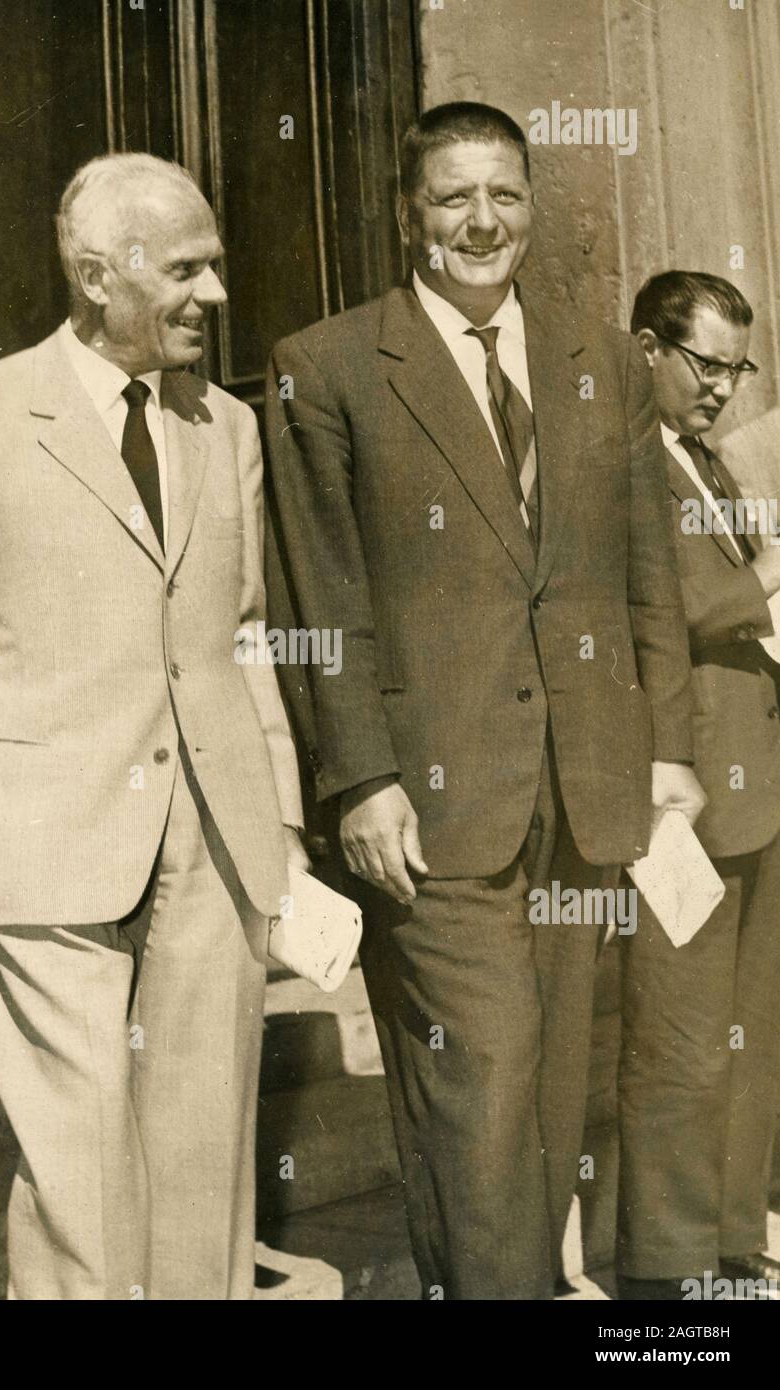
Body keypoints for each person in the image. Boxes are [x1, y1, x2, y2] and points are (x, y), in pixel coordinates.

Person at [264, 102, 702, 1299]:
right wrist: (358, 777)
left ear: (530, 205)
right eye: (453, 197)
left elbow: (645, 575)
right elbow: (323, 597)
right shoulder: (327, 366)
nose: (481, 220)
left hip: (588, 787)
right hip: (431, 801)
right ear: (410, 216)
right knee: (484, 1082)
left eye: (503, 194)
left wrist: (665, 752)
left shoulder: (601, 360)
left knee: (550, 1085)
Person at [0, 153, 307, 1300]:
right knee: (83, 1167)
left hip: (216, 841)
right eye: (187, 271)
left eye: (217, 267)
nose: (213, 295)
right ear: (101, 277)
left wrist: (284, 825)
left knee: (203, 1164)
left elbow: (242, 635)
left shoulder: (229, 430)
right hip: (41, 841)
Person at [618, 271, 780, 1299]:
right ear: (646, 351)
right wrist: (771, 572)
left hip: (755, 783)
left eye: (736, 368)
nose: (722, 388)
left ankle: (731, 1237)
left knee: (748, 1028)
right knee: (678, 1037)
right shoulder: (626, 466)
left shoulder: (707, 463)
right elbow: (680, 601)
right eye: (704, 364)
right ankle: (671, 1266)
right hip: (681, 793)